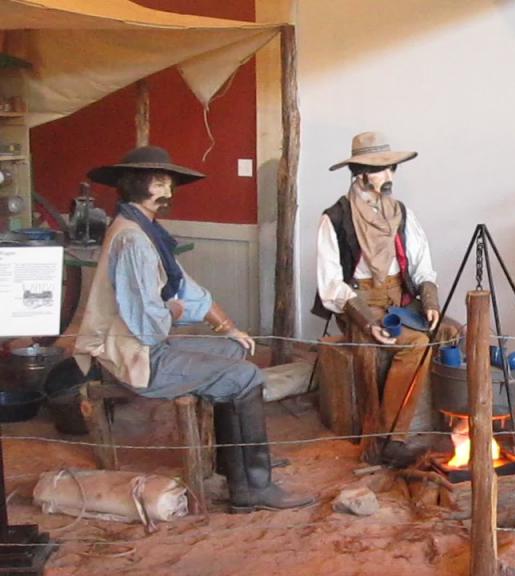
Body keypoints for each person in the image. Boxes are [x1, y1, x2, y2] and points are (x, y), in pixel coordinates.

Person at [75, 146, 313, 512]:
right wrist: (173, 310)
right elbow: (149, 326)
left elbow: (187, 288)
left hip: (150, 345)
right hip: (137, 357)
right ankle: (252, 486)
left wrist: (228, 327)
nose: (168, 193)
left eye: (169, 183)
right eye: (159, 183)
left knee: (236, 353)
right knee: (245, 376)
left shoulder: (147, 229)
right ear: (136, 185)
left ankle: (231, 462)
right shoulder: (132, 238)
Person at [313, 131, 457, 466]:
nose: (390, 176)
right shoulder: (335, 218)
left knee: (452, 332)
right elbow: (332, 283)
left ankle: (452, 424)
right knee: (415, 343)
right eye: (382, 170)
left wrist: (430, 300)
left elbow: (422, 264)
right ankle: (393, 438)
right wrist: (366, 319)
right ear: (362, 174)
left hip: (402, 298)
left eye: (392, 169)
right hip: (361, 301)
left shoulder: (400, 214)